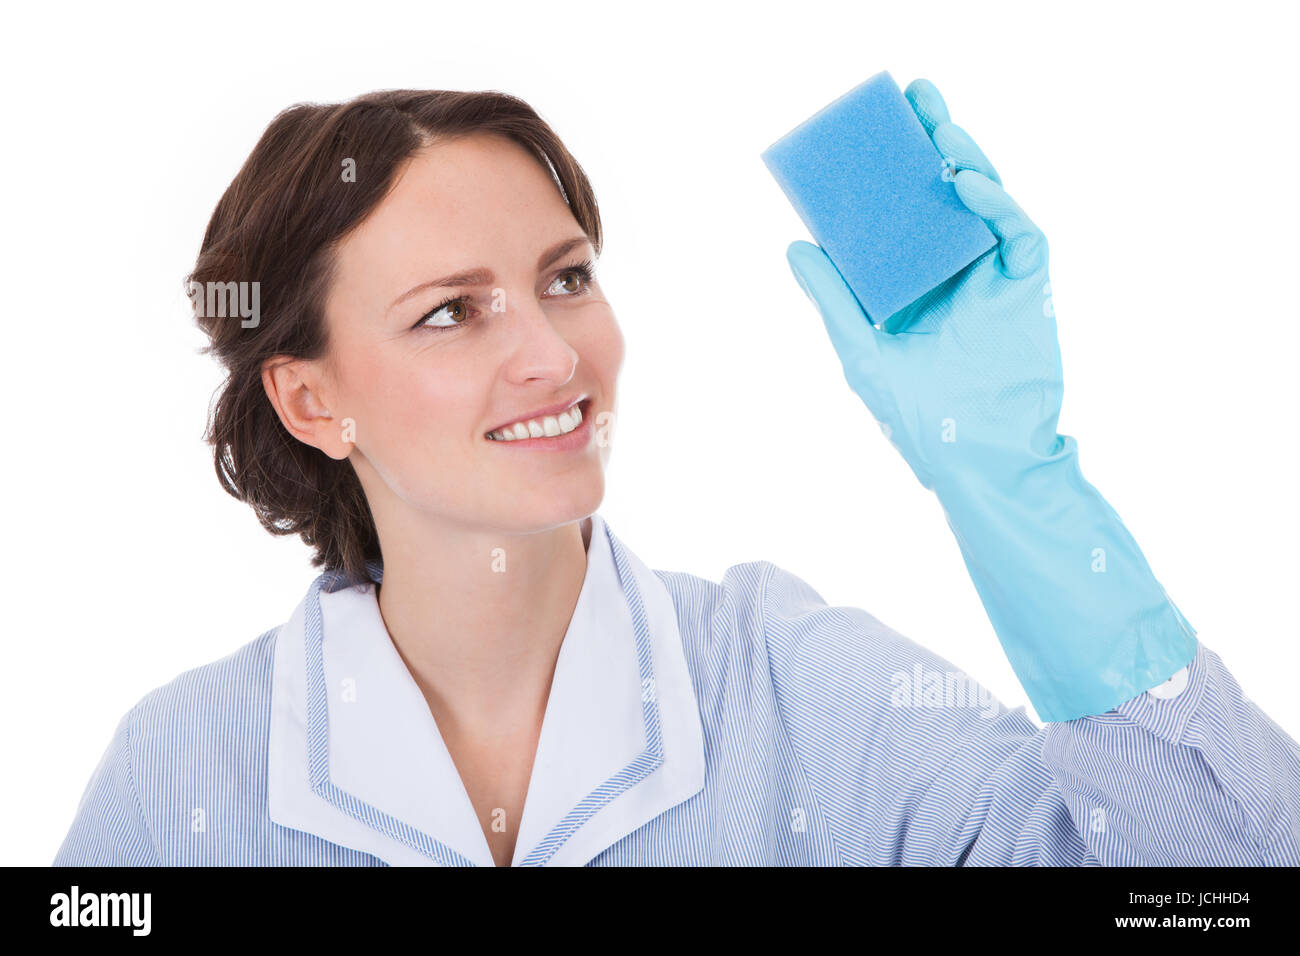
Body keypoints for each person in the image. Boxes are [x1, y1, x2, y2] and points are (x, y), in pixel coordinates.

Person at [54, 80, 1300, 867]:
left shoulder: (804, 692)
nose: (553, 353)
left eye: (566, 277)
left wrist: (1009, 471)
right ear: (311, 398)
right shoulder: (184, 769)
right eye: (450, 313)